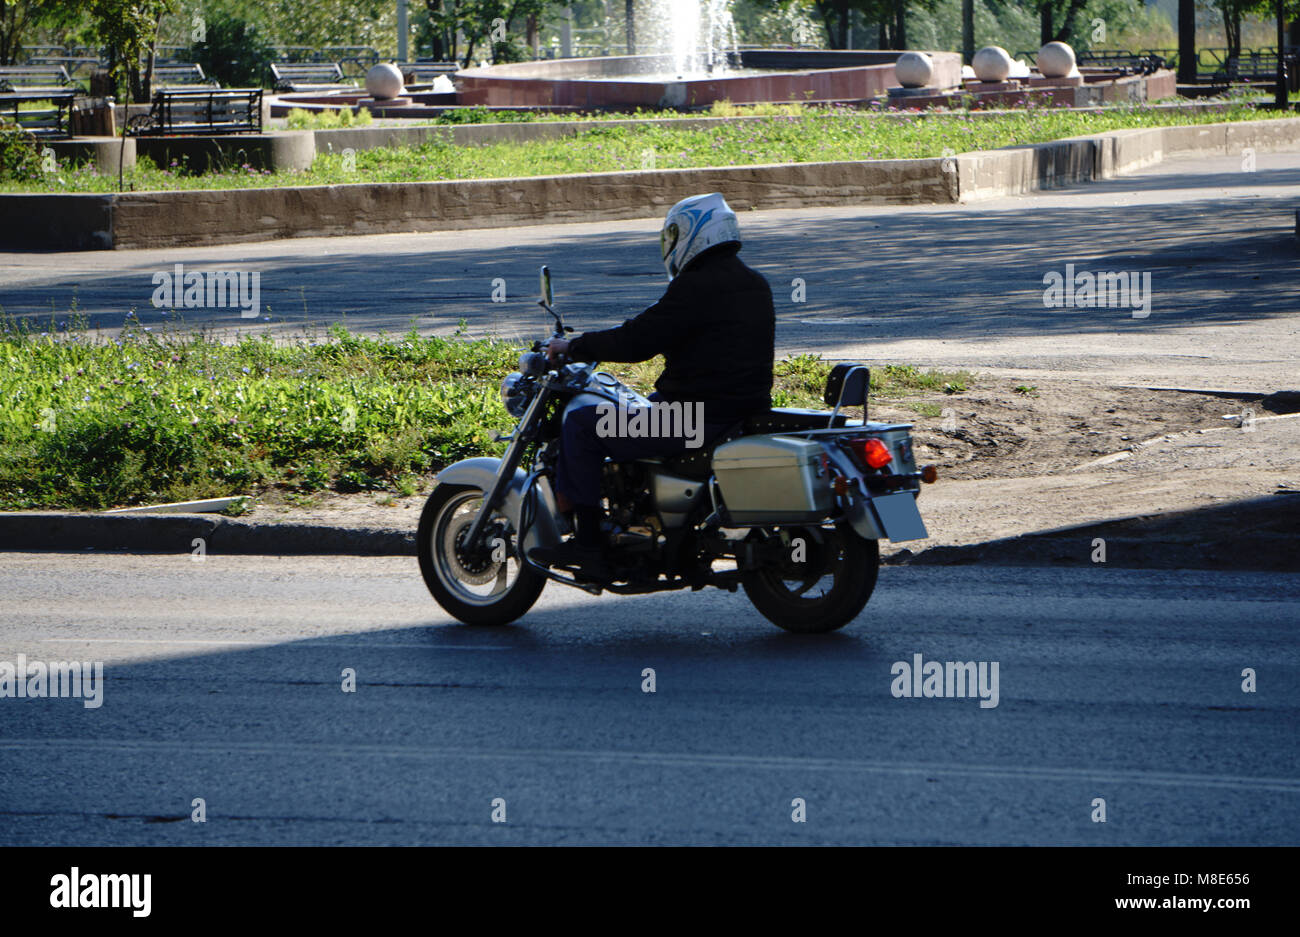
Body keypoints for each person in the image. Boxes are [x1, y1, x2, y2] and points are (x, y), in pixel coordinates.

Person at [529, 192, 775, 578]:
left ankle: (589, 544)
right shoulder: (755, 283)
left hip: (690, 420)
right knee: (639, 409)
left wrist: (573, 346)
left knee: (583, 425)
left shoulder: (696, 287)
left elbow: (637, 340)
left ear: (691, 233)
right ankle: (642, 520)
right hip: (739, 413)